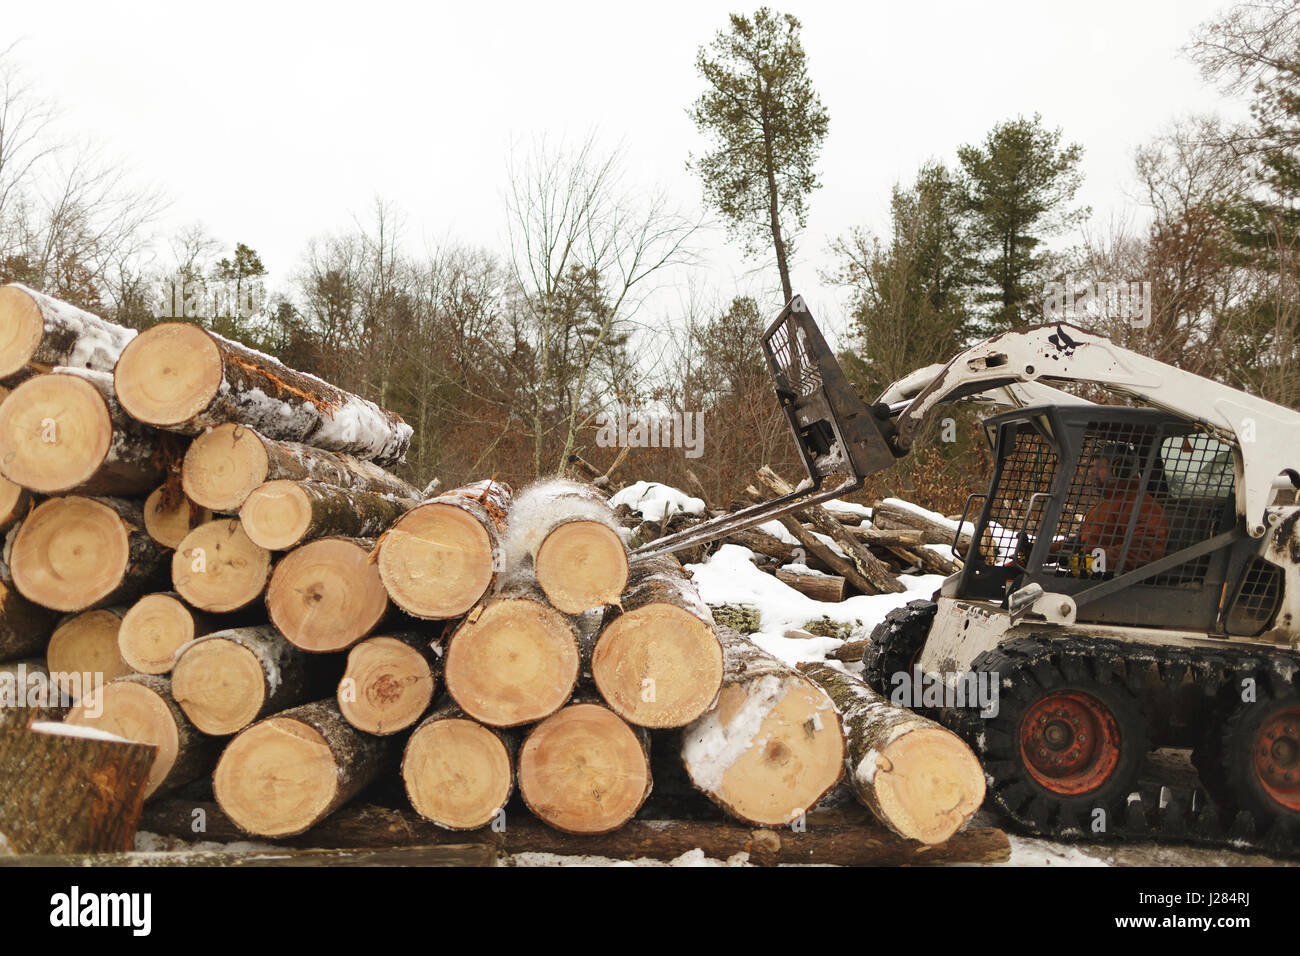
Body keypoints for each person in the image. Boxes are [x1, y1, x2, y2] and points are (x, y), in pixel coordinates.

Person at [1075, 443, 1169, 572]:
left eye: (1099, 466)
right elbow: (1084, 540)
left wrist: (1092, 562)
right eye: (1092, 467)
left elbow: (1144, 551)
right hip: (1092, 575)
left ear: (1119, 469)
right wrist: (1049, 551)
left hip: (1115, 582)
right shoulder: (1103, 505)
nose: (1092, 472)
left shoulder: (1140, 504)